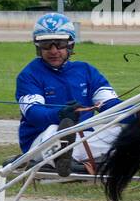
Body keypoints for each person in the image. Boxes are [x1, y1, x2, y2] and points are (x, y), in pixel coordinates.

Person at [16, 13, 123, 176]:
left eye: (59, 44)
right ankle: (83, 163)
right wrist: (60, 115)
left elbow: (111, 106)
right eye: (46, 45)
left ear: (70, 45)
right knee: (55, 130)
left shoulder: (86, 71)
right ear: (38, 47)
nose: (53, 51)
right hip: (42, 139)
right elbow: (33, 114)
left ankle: (70, 163)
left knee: (129, 131)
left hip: (82, 138)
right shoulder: (29, 75)